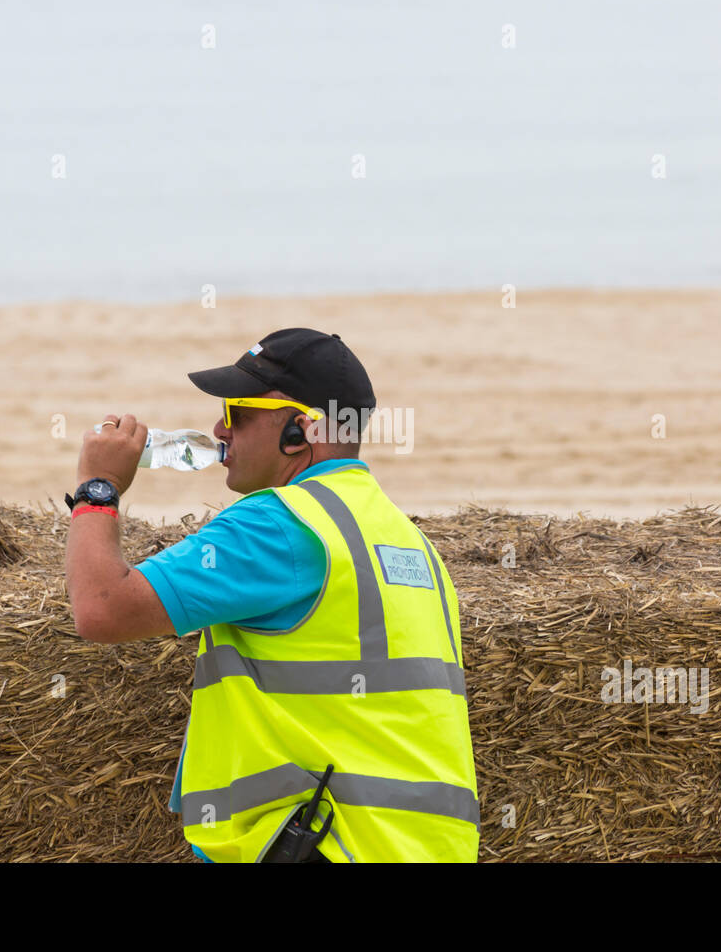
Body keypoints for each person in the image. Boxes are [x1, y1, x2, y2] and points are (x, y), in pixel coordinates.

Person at [63, 328, 478, 862]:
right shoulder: (405, 538)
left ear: (300, 431)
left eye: (238, 411)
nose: (219, 428)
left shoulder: (282, 524)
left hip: (334, 846)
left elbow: (101, 609)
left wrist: (98, 487)